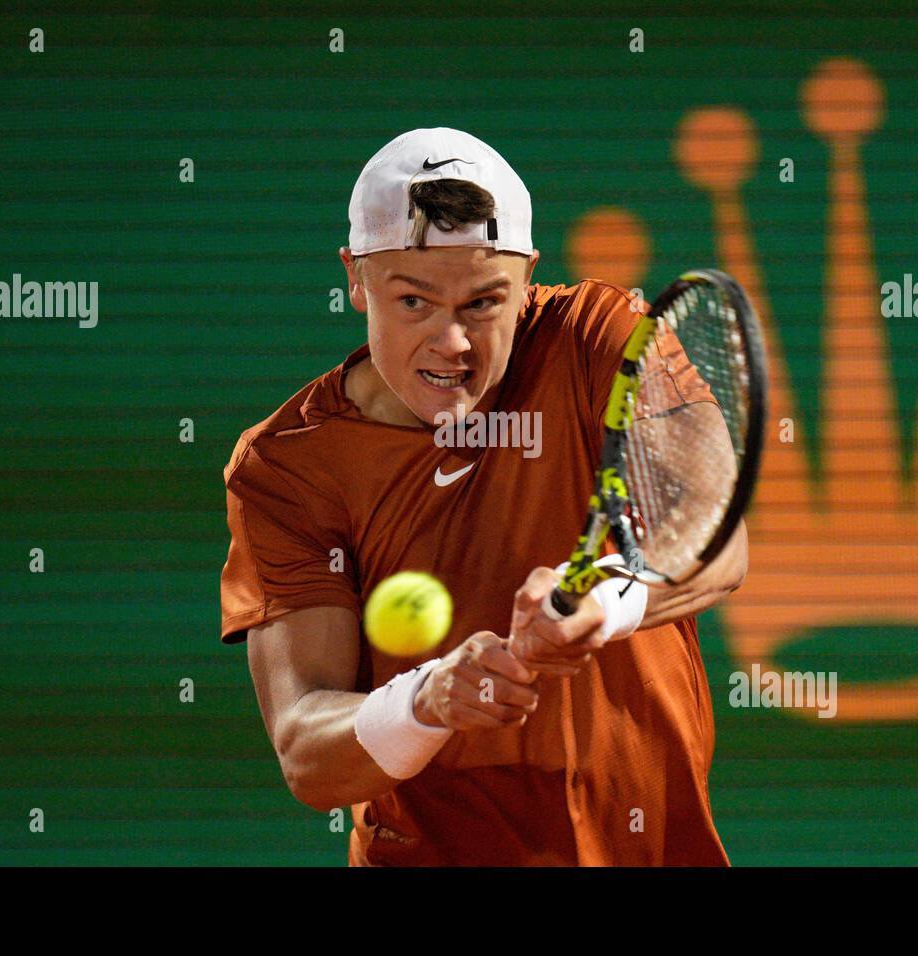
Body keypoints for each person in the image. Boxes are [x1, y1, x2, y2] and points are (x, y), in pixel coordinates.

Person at [219, 127, 747, 865]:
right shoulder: (286, 467)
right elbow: (308, 751)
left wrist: (600, 599)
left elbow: (715, 525)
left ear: (528, 277)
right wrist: (430, 699)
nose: (453, 343)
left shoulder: (597, 338)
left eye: (483, 303)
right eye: (414, 301)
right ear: (355, 277)